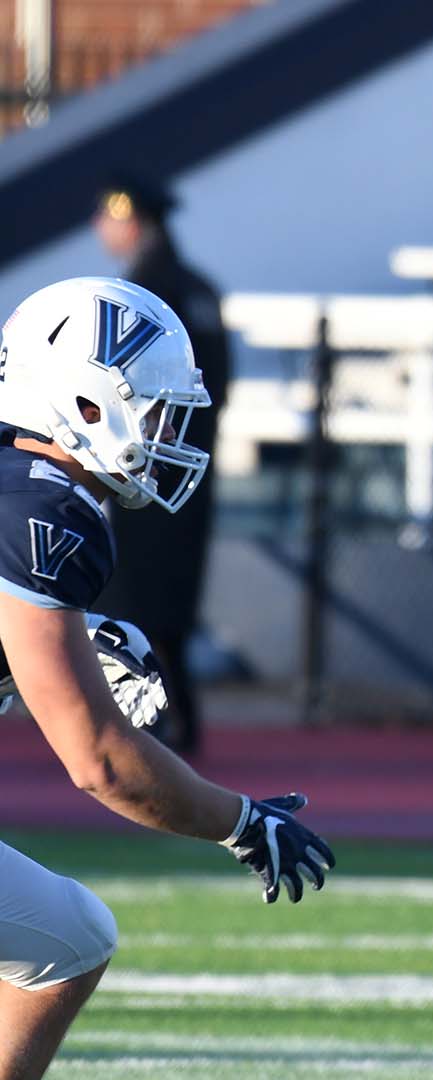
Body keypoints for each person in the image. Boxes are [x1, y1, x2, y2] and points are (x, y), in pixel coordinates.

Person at [0, 277, 332, 1080]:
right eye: (150, 407)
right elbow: (100, 762)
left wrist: (85, 638)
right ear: (84, 404)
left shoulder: (21, 490)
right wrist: (241, 822)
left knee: (68, 937)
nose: (163, 429)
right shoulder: (47, 515)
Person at [90, 172, 232, 755]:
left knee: (141, 598)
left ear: (132, 221)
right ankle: (178, 721)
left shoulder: (150, 293)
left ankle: (150, 724)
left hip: (149, 467)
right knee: (169, 598)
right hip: (191, 467)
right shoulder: (197, 286)